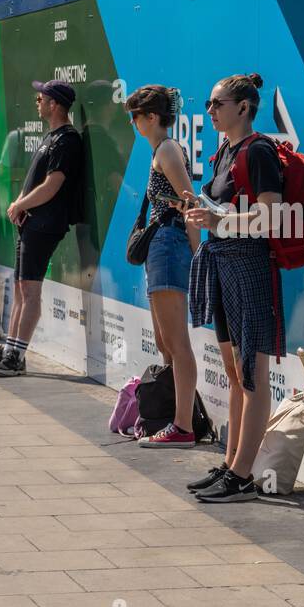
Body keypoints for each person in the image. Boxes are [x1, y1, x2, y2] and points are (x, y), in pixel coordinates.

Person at [184, 73, 285, 502]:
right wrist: (201, 212)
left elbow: (271, 217)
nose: (210, 111)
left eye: (217, 103)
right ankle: (230, 464)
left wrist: (219, 221)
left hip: (249, 266)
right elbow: (223, 207)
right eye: (209, 104)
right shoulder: (225, 149)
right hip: (223, 262)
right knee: (233, 371)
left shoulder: (258, 149)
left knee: (252, 374)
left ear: (243, 107)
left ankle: (243, 475)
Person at [123, 85, 202, 448]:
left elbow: (190, 203)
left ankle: (183, 426)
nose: (134, 123)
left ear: (151, 117)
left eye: (135, 116)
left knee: (176, 342)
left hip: (169, 244)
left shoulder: (168, 149)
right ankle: (172, 417)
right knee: (164, 342)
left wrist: (194, 249)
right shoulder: (161, 149)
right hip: (162, 245)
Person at [0, 80, 84, 375]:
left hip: (45, 224)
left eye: (41, 98)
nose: (37, 102)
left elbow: (53, 185)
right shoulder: (51, 136)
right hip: (32, 223)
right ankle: (10, 348)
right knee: (21, 290)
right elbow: (35, 179)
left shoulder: (68, 139)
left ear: (54, 104)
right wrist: (19, 203)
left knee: (30, 291)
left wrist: (21, 205)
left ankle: (16, 356)